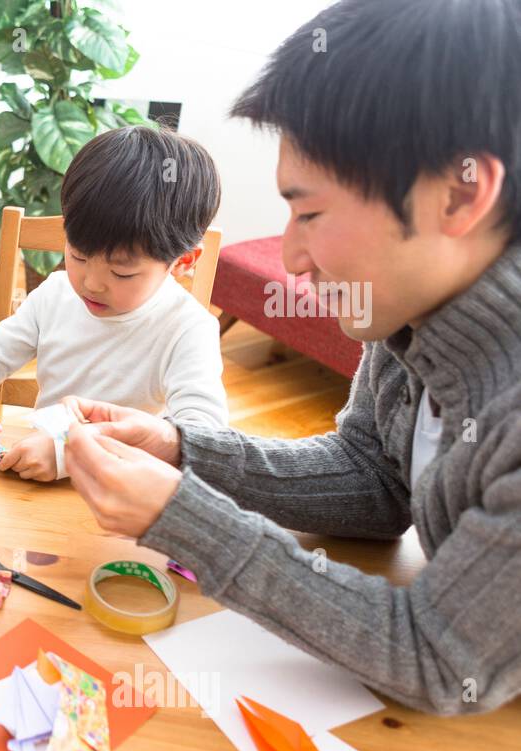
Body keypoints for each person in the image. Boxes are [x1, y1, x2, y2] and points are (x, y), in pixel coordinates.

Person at [62, 0, 521, 714]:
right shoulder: (405, 313)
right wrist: (184, 452)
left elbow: (441, 655)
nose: (291, 256)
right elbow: (374, 481)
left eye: (310, 214)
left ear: (460, 196)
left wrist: (190, 520)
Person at [0, 126, 227, 481]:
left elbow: (203, 438)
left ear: (182, 262)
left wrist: (67, 454)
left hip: (124, 493)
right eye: (78, 255)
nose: (91, 283)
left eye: (122, 273)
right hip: (34, 486)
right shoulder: (56, 294)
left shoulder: (188, 328)